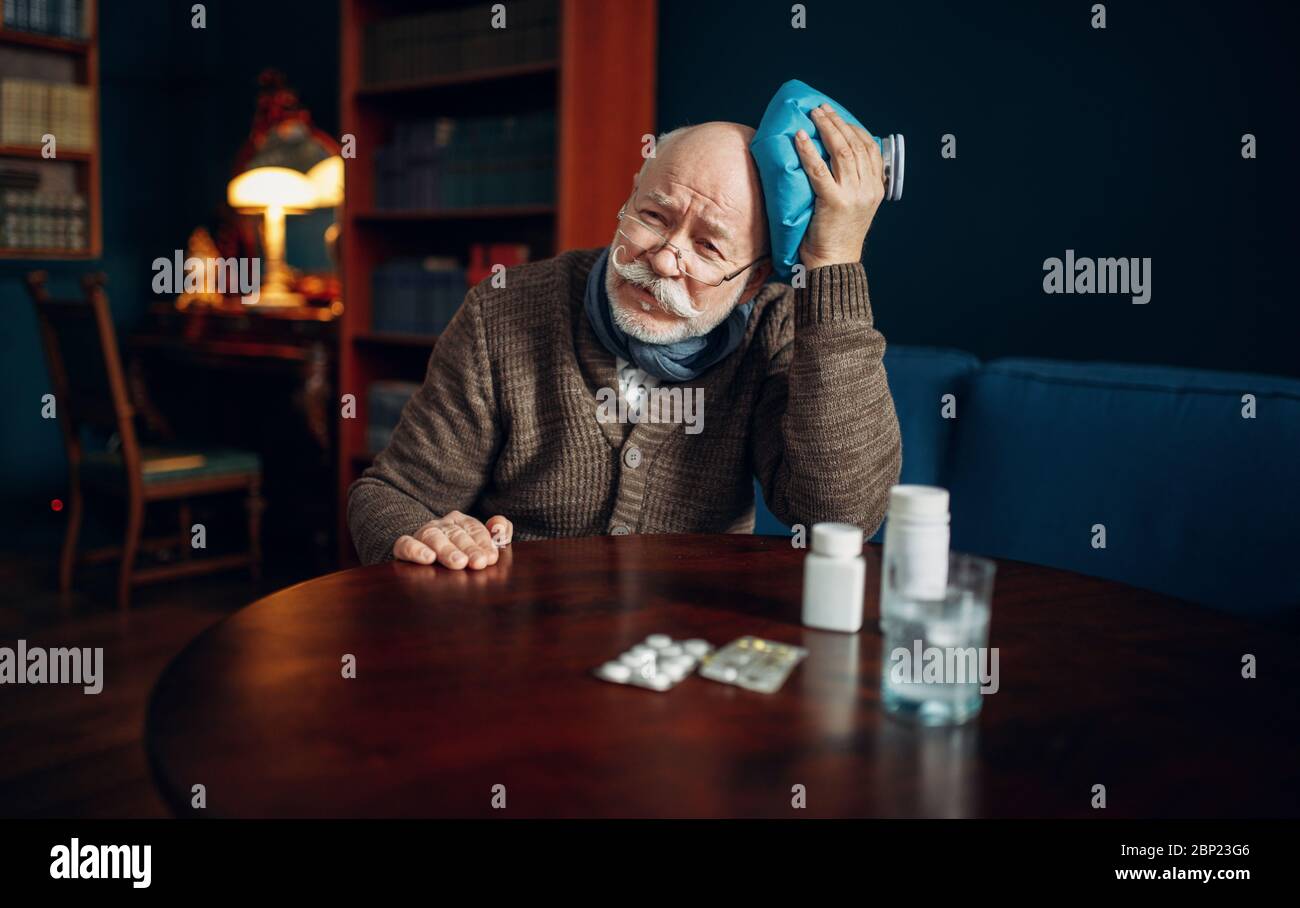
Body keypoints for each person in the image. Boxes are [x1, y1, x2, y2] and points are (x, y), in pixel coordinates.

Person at [349, 107, 901, 569]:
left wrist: (834, 263)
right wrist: (431, 536)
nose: (661, 259)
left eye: (708, 249)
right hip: (524, 643)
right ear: (630, 195)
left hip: (690, 650)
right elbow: (390, 496)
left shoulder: (776, 327)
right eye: (653, 216)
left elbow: (839, 516)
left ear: (753, 280)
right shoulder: (504, 309)